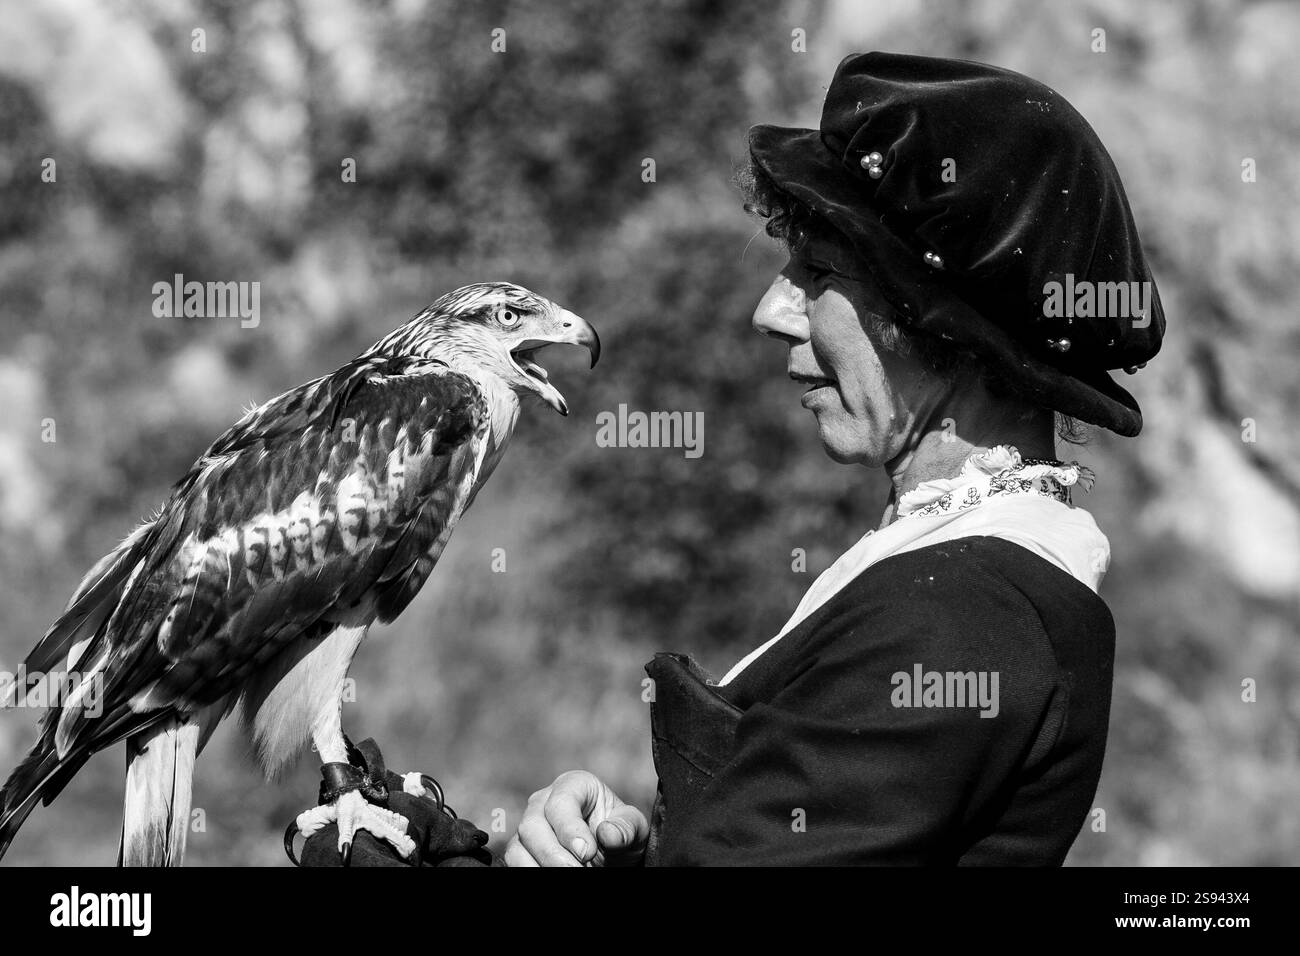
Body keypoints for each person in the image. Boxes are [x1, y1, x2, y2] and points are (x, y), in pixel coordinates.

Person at [504, 51, 1164, 867]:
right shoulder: (952, 576)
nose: (771, 311)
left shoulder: (959, 617)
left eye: (817, 272)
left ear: (946, 328)